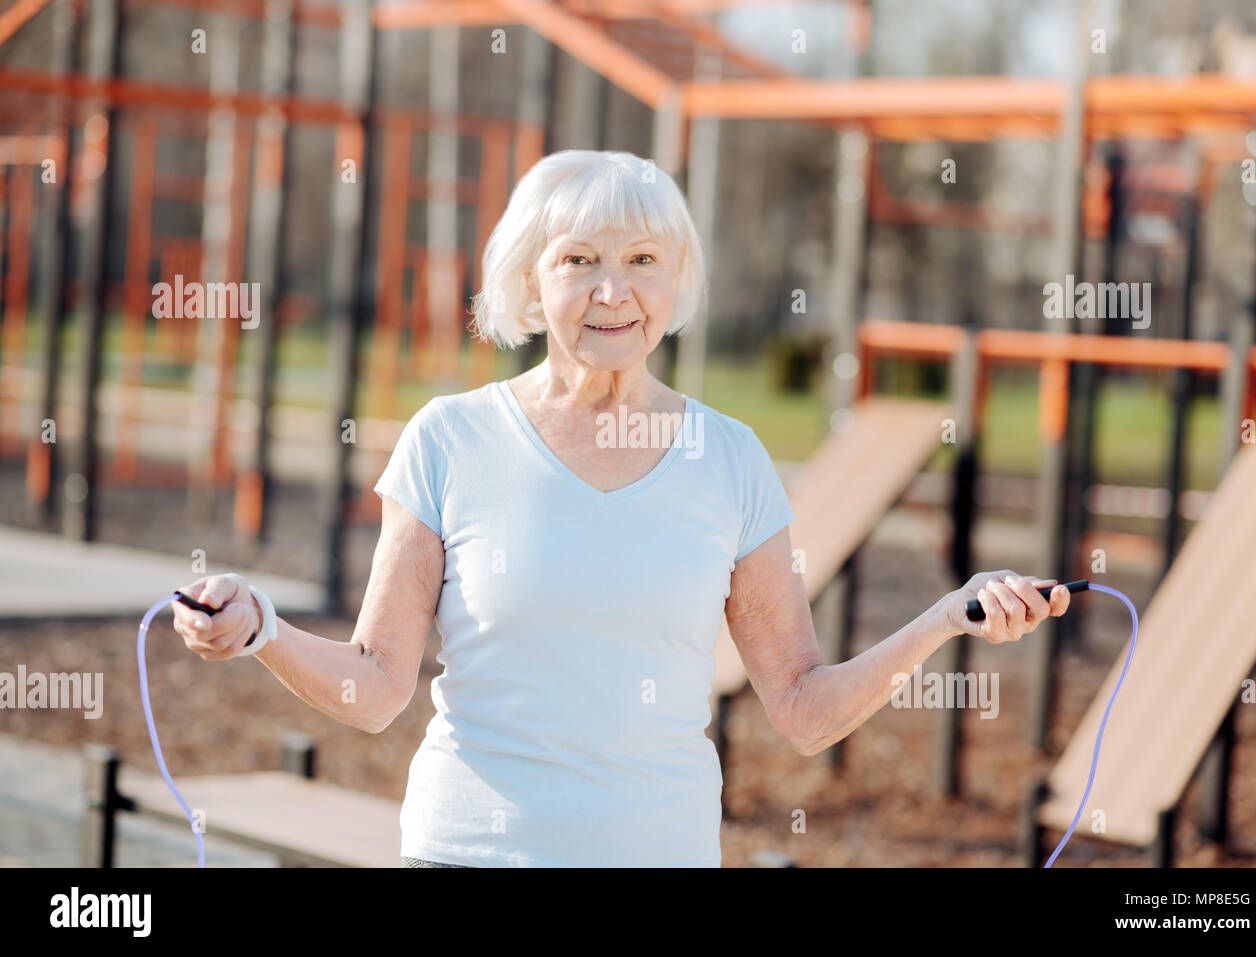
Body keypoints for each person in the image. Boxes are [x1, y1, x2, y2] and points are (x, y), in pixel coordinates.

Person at [171, 149, 1070, 868]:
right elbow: (374, 689)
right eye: (579, 261)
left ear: (675, 284)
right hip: (468, 852)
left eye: (643, 260)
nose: (614, 290)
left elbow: (801, 709)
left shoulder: (730, 460)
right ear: (529, 283)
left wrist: (949, 616)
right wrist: (260, 630)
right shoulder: (450, 439)